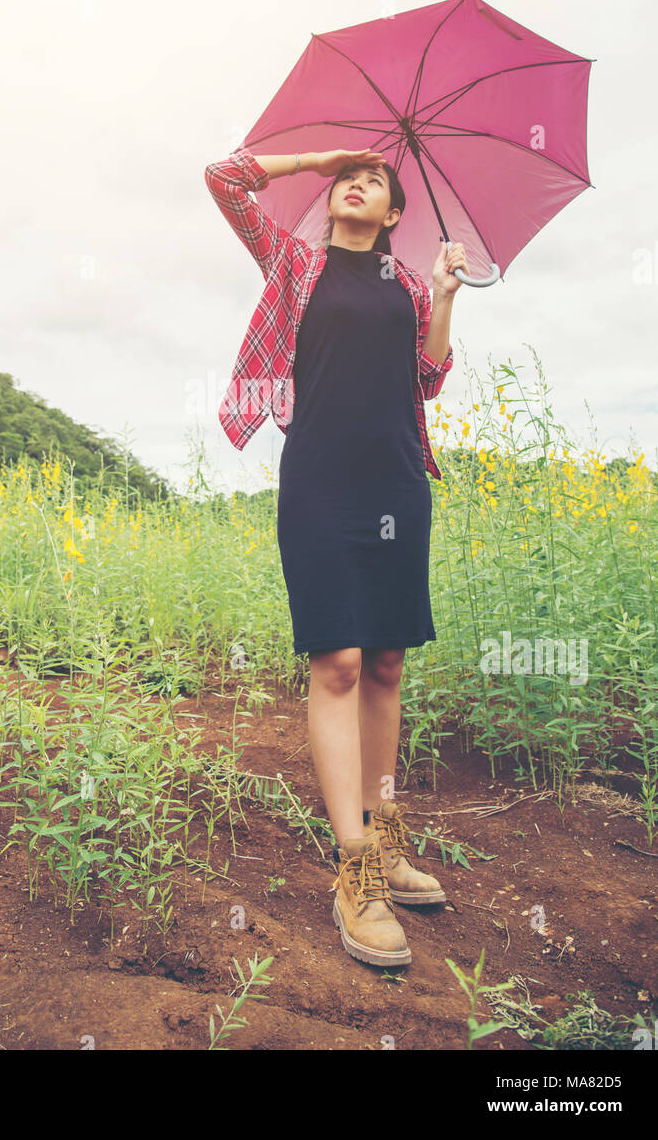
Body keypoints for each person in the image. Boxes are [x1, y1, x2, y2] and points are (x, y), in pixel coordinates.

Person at [204, 147, 467, 969]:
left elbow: (428, 376)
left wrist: (446, 294)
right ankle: (354, 870)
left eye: (373, 179)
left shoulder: (410, 285)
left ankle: (384, 841)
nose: (355, 182)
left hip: (397, 479)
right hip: (320, 480)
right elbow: (224, 179)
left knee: (385, 662)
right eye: (345, 178)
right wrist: (324, 155)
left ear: (394, 214)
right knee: (340, 662)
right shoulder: (294, 262)